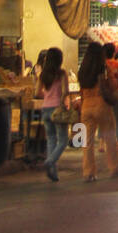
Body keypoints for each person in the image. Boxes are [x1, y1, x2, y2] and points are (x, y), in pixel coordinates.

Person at [77, 42, 118, 181]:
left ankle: (88, 172)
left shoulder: (82, 71)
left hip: (86, 106)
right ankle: (115, 168)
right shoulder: (103, 67)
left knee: (87, 142)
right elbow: (112, 84)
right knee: (110, 138)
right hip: (101, 105)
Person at [34, 47, 71, 181]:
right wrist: (61, 103)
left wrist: (47, 95)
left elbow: (37, 93)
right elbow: (65, 91)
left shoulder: (42, 75)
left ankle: (53, 173)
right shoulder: (61, 74)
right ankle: (50, 161)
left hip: (45, 108)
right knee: (63, 140)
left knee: (51, 139)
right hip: (57, 109)